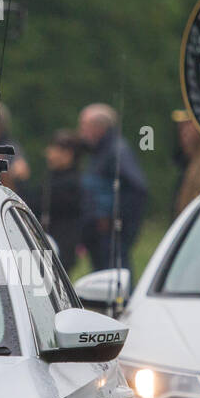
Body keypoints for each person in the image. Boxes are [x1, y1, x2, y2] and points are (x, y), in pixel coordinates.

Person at [78, 103, 148, 272]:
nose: (81, 132)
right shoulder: (99, 152)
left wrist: (116, 219)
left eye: (84, 126)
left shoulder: (117, 151)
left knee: (115, 278)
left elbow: (137, 188)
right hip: (98, 233)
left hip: (111, 234)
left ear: (98, 128)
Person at [37, 130, 86, 264]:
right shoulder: (53, 178)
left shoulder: (70, 184)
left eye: (53, 150)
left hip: (62, 246)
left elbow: (35, 203)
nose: (48, 154)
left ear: (67, 154)